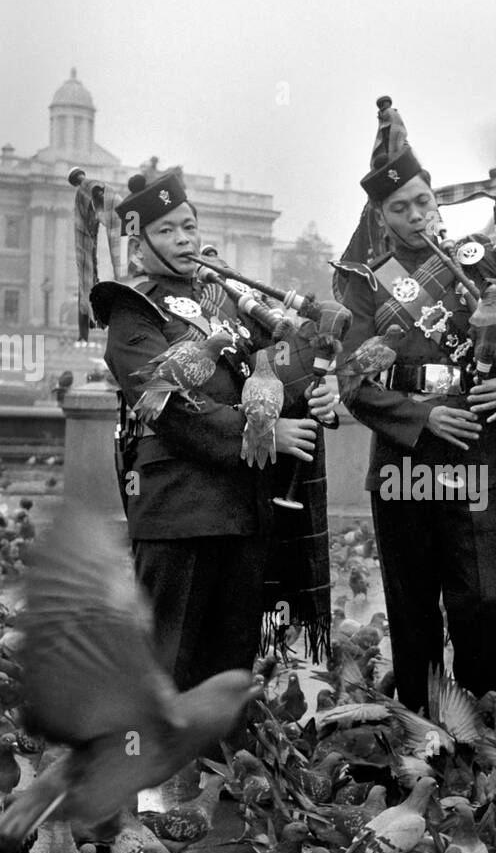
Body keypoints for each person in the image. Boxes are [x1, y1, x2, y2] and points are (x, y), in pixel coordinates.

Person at [334, 97, 496, 711]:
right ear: (381, 215)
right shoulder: (364, 283)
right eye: (400, 208)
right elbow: (350, 378)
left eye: (423, 201)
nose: (416, 215)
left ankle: (487, 720)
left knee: (482, 597)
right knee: (411, 599)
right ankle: (420, 724)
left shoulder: (480, 261)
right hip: (403, 458)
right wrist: (421, 417)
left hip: (475, 449)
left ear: (435, 200)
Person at [92, 168, 335, 692]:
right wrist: (263, 435)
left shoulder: (223, 300)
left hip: (243, 510)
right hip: (179, 513)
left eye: (188, 226)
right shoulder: (132, 309)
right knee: (168, 671)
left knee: (228, 676)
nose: (183, 239)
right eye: (165, 231)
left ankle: (218, 774)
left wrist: (319, 389)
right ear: (138, 246)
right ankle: (155, 774)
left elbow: (267, 375)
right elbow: (168, 405)